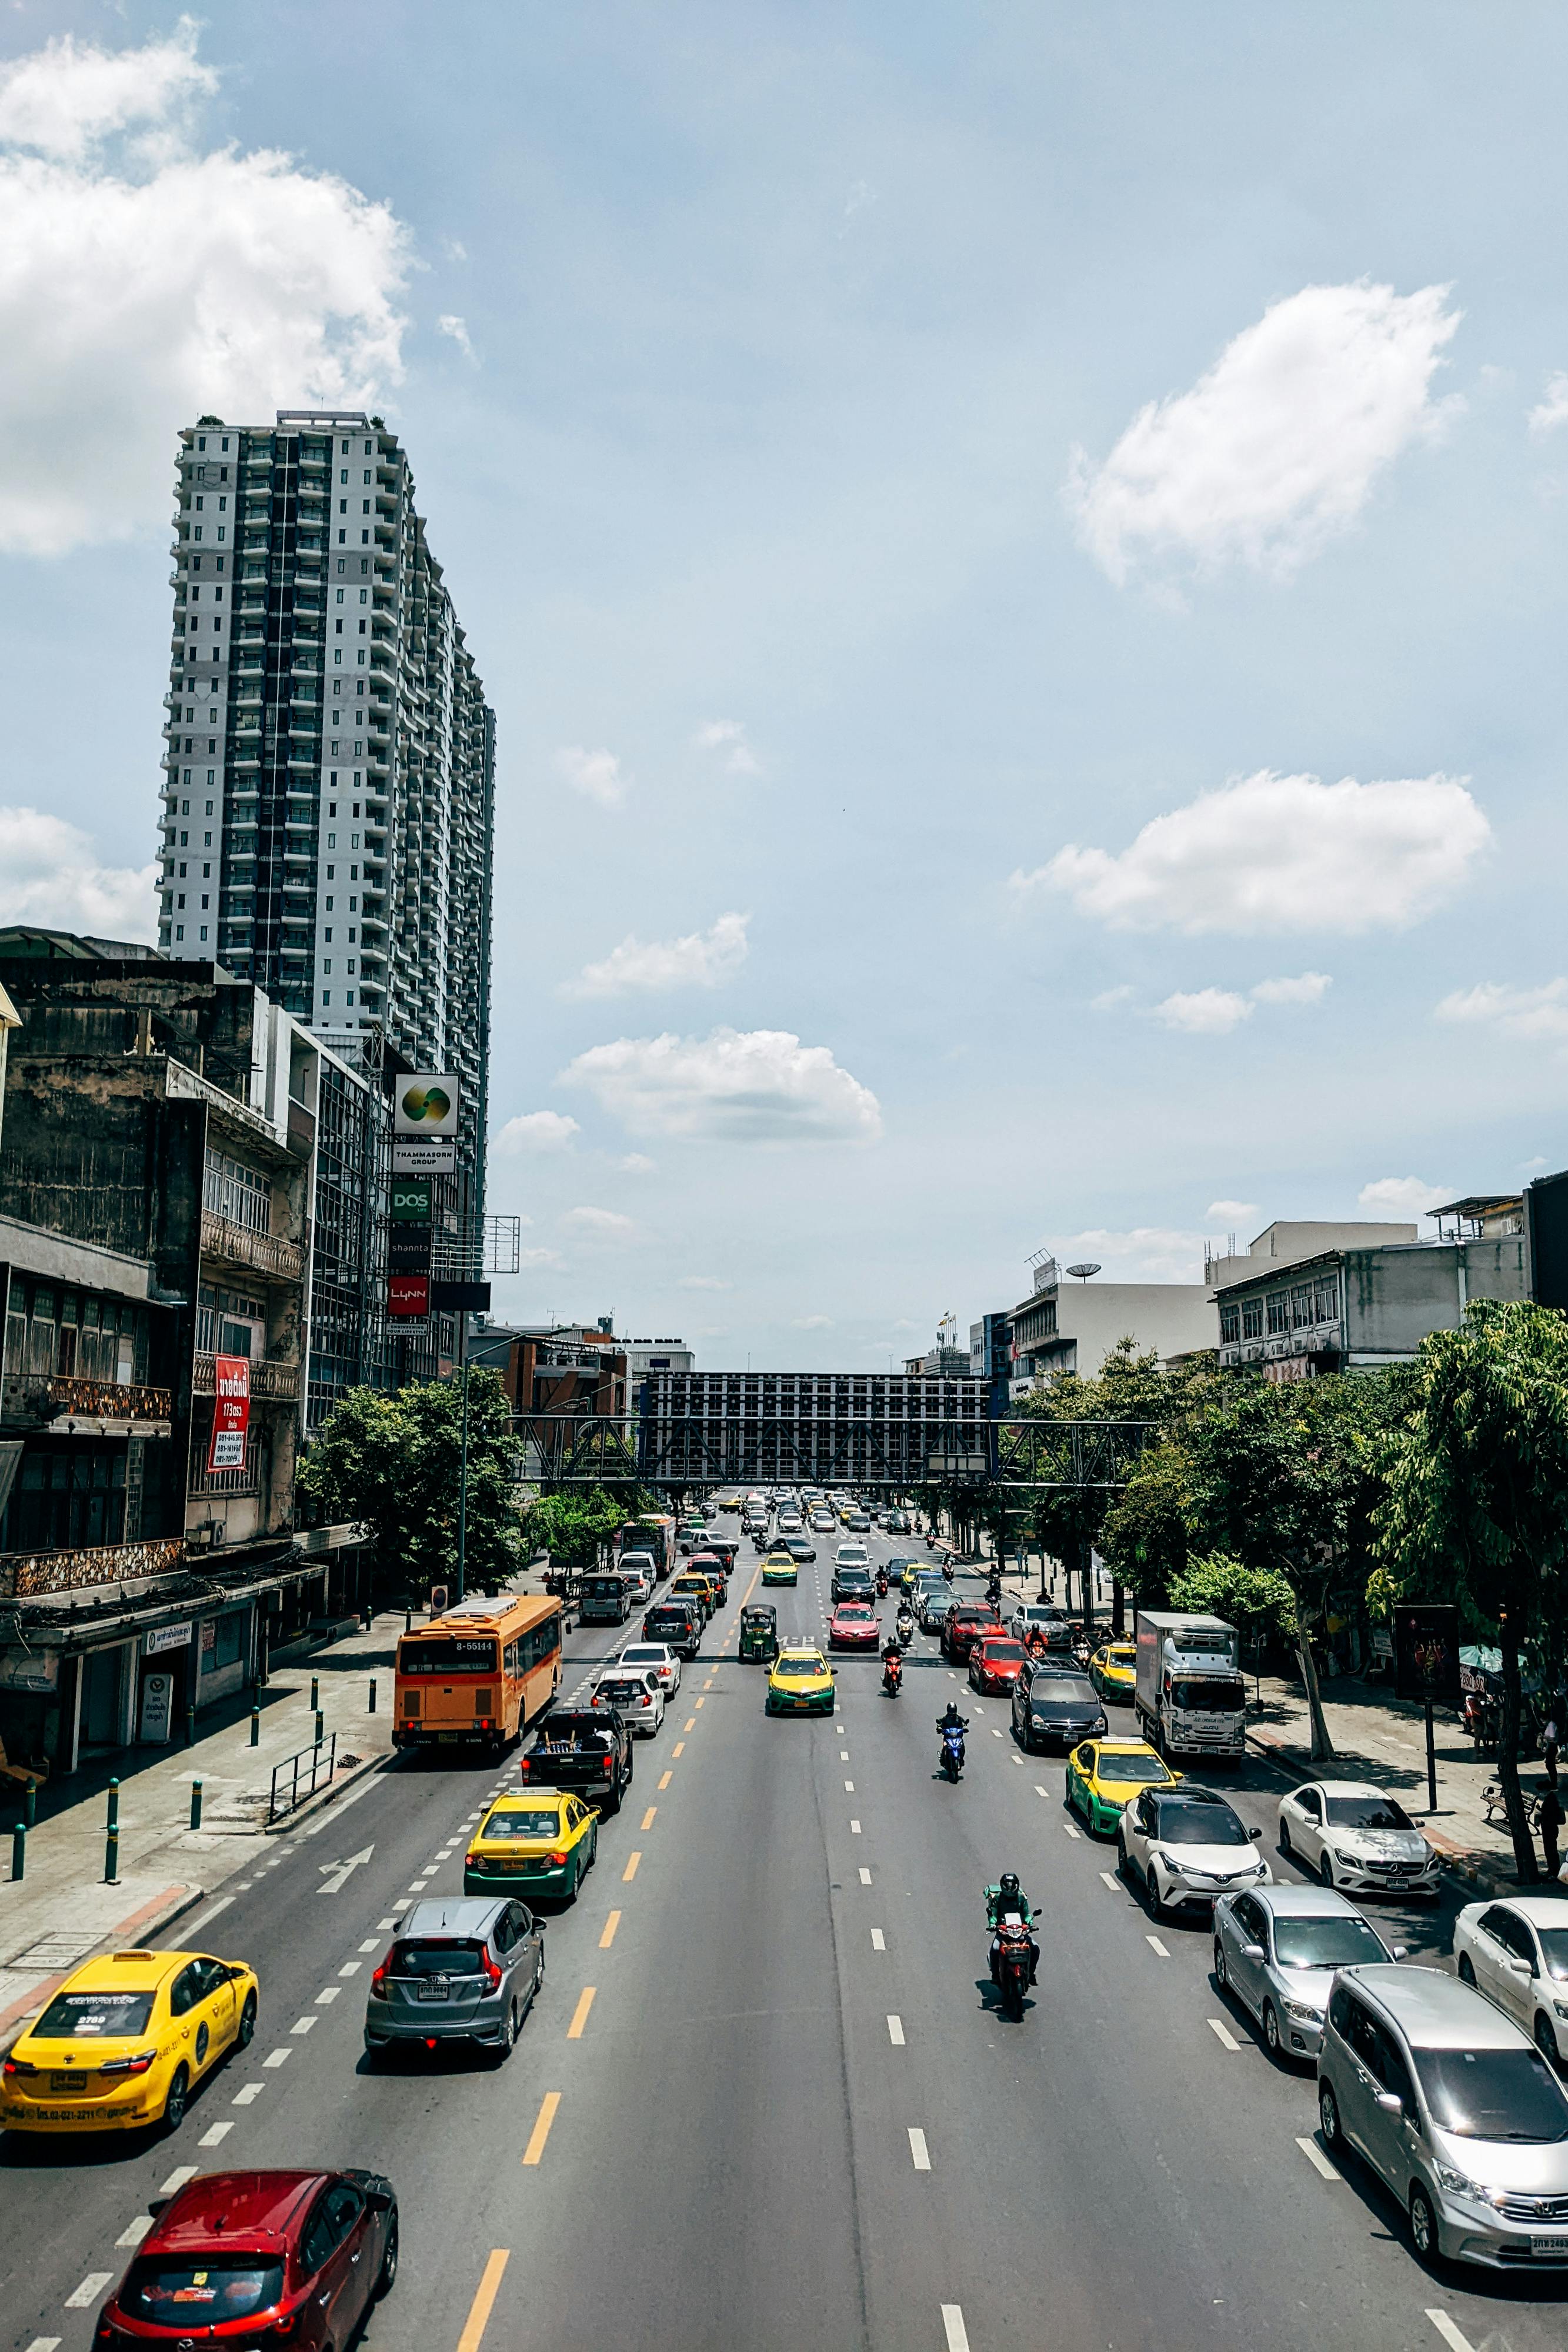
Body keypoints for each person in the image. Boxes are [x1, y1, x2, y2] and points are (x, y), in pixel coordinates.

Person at [986, 1871, 1040, 1986]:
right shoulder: (998, 1899)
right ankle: (995, 1974)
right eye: (1008, 1885)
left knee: (1035, 1948)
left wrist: (1030, 1924)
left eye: (1012, 1885)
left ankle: (1031, 1973)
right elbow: (994, 1915)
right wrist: (993, 1925)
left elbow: (1026, 1914)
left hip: (1019, 1931)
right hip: (1004, 1931)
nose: (1010, 1888)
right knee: (995, 1949)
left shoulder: (1021, 1898)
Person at [1542, 1783, 1564, 1878]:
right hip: (1551, 1828)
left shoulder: (1550, 1799)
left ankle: (1553, 1870)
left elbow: (1549, 1814)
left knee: (1550, 1849)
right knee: (1551, 1849)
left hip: (1550, 1828)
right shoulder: (1551, 1798)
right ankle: (1553, 1869)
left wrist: (1541, 1814)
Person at [1544, 1716, 1560, 1791]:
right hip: (1550, 1746)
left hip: (1552, 1746)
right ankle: (1553, 1783)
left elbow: (1552, 1738)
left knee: (1550, 1765)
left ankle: (1554, 1785)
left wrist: (1544, 1737)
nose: (1543, 1723)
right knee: (1549, 1765)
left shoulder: (1551, 1725)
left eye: (1543, 1721)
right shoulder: (1550, 1725)